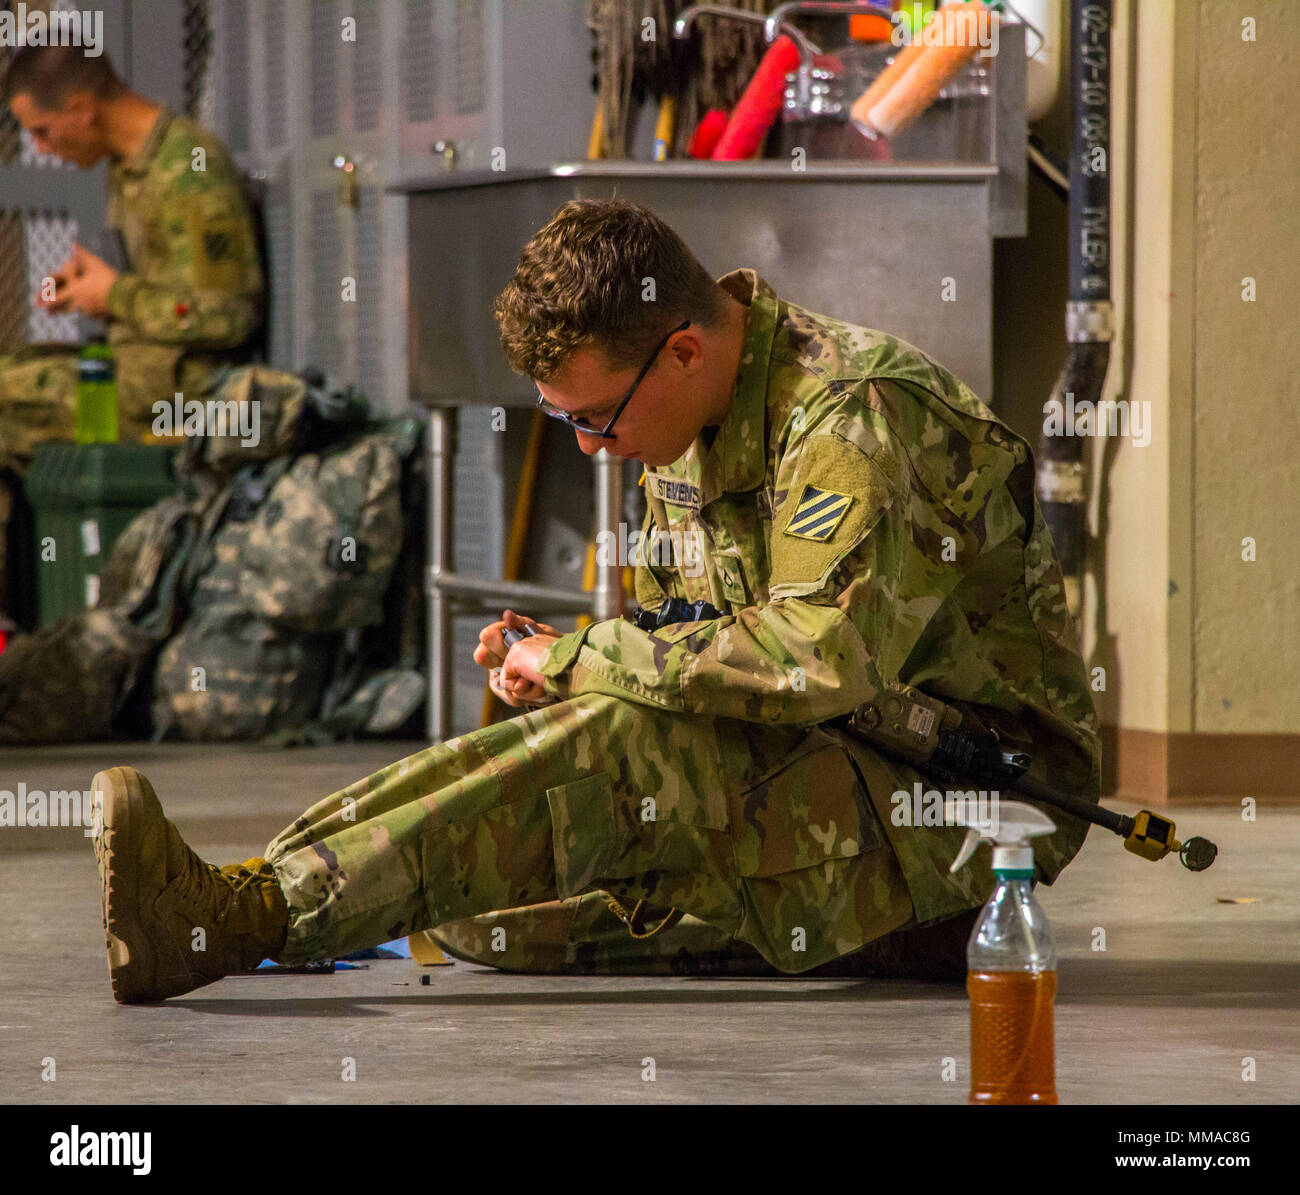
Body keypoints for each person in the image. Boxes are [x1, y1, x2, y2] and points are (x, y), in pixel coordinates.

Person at [91, 199, 1101, 1003]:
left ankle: (237, 918)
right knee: (479, 913)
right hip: (821, 771)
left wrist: (585, 662)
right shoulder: (684, 424)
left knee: (623, 747)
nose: (587, 448)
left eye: (595, 419)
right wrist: (572, 663)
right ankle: (260, 888)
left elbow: (813, 660)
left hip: (964, 824)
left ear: (683, 352)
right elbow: (689, 641)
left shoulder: (854, 418)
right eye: (564, 420)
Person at [0, 44, 263, 617]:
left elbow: (231, 315)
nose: (41, 149)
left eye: (43, 132)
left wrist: (113, 294)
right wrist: (98, 290)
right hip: (140, 375)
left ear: (82, 108)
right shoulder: (131, 166)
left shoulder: (188, 166)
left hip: (184, 395)